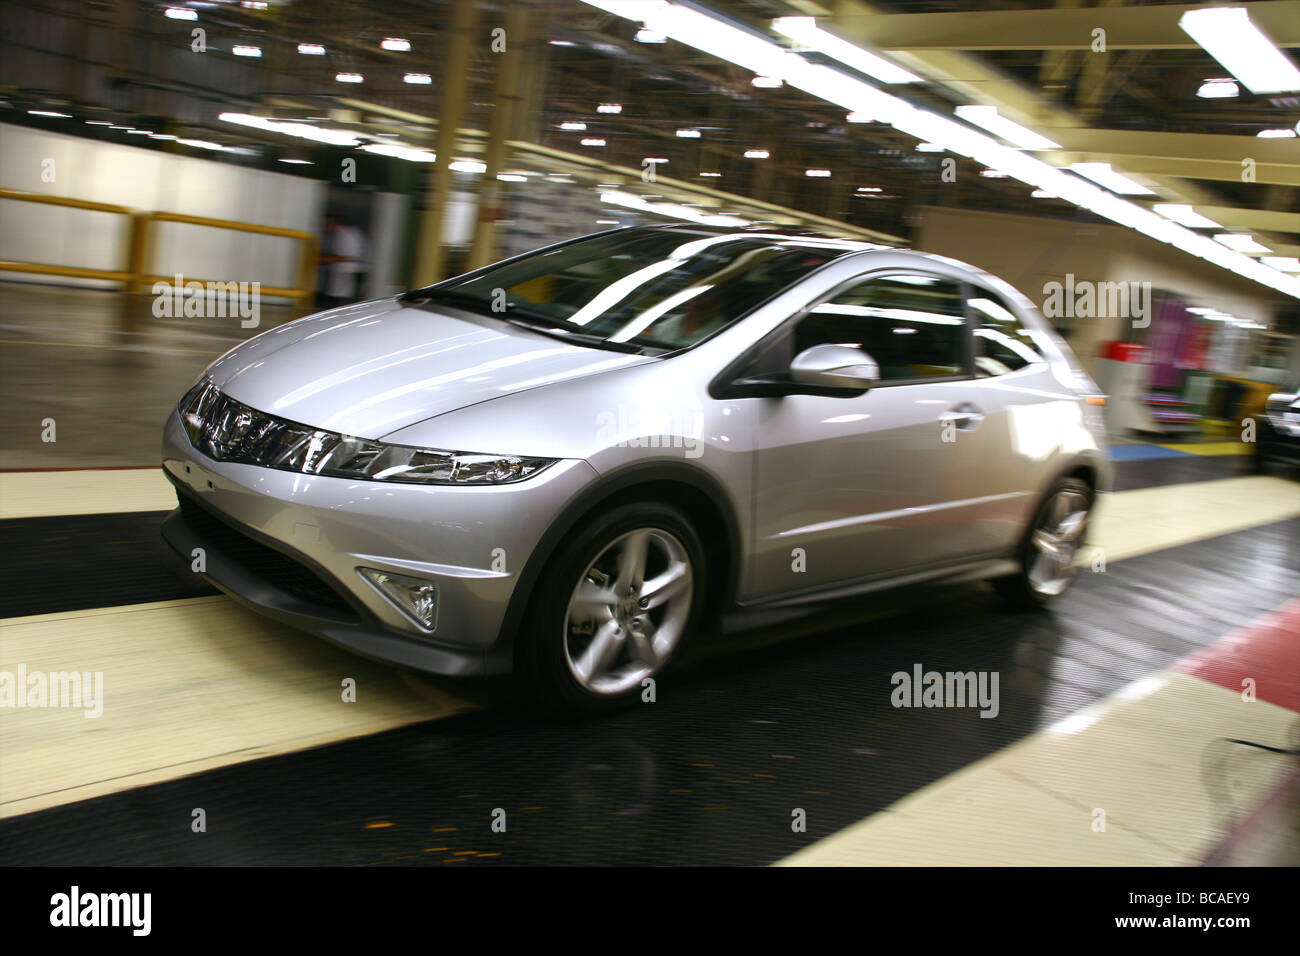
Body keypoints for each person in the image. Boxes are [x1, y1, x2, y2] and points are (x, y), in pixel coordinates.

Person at [318, 217, 368, 308]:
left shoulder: (346, 235)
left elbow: (350, 257)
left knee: (345, 299)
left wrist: (323, 259)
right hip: (347, 270)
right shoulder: (347, 233)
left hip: (349, 271)